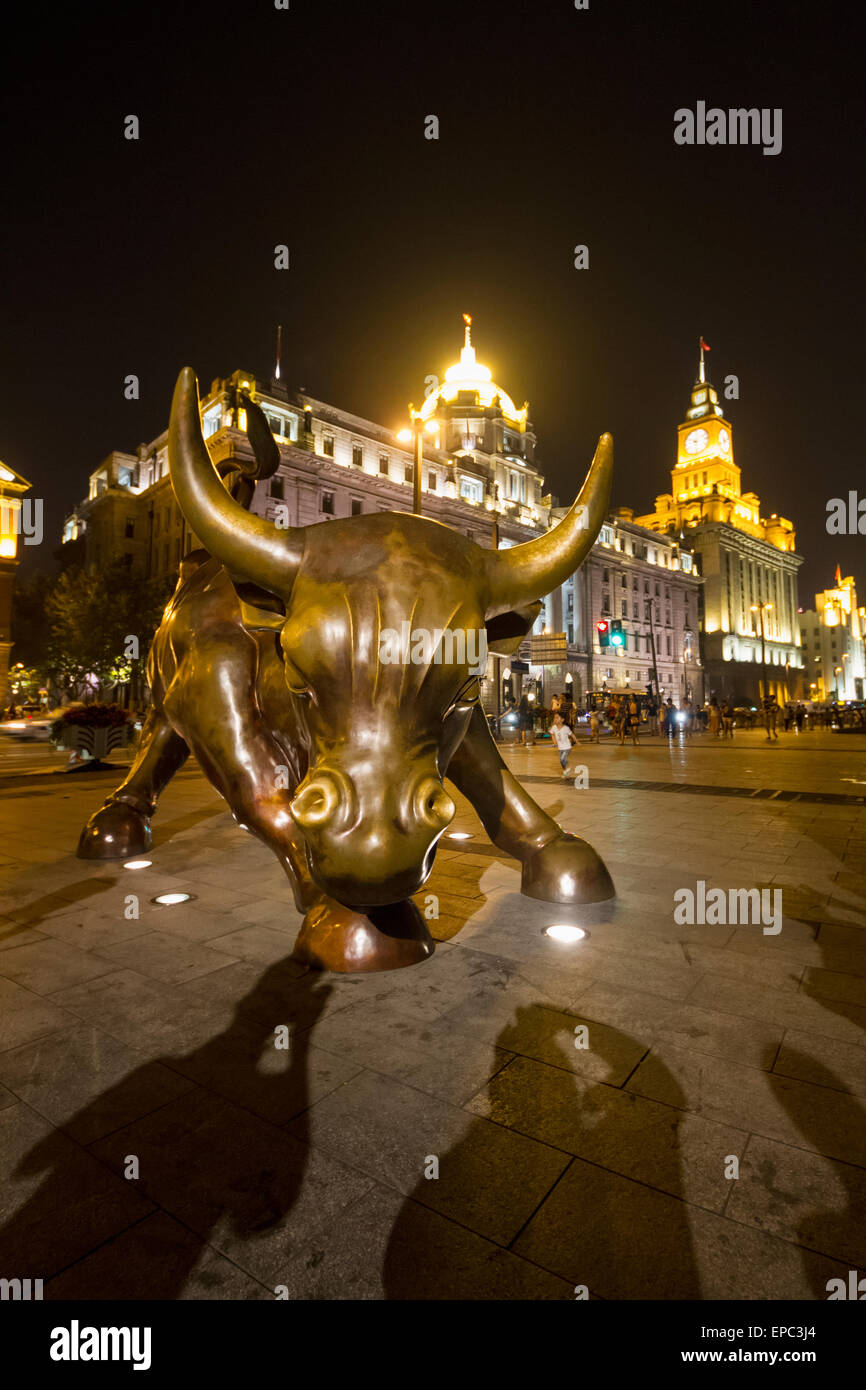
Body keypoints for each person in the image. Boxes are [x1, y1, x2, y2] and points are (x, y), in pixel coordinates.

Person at [551, 711, 577, 776]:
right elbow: (552, 734)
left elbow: (572, 734)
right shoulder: (554, 727)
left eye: (557, 718)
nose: (555, 719)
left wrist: (576, 741)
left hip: (567, 747)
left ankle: (568, 768)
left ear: (562, 720)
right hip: (560, 748)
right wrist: (554, 742)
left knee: (563, 759)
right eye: (554, 718)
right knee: (561, 760)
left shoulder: (566, 728)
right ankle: (565, 770)